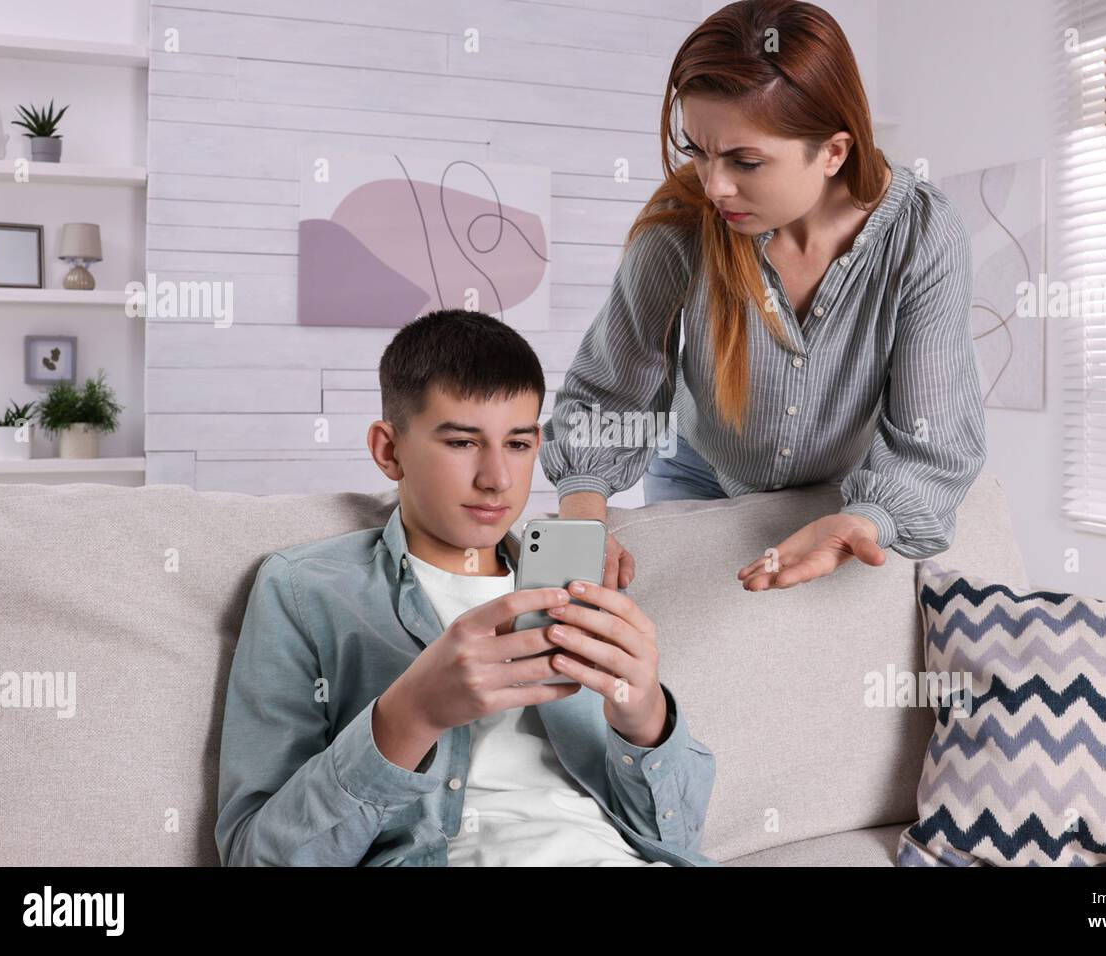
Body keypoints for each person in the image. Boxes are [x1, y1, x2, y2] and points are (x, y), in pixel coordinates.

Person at [215, 310, 717, 867]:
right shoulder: (306, 590)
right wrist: (409, 717)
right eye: (462, 443)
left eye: (520, 445)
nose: (498, 478)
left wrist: (644, 715)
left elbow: (676, 842)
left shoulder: (579, 581)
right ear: (389, 451)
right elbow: (256, 858)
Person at [540, 0, 987, 593]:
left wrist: (865, 519)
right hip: (698, 476)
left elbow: (932, 436)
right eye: (698, 151)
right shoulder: (683, 222)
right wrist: (583, 517)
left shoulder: (923, 233)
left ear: (834, 151)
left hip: (842, 496)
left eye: (745, 161)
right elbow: (610, 390)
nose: (713, 185)